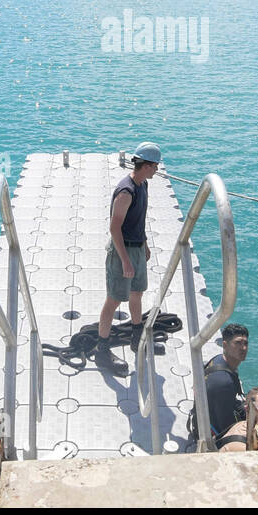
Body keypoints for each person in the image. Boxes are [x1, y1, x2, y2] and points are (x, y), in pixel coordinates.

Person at [94, 142, 161, 375]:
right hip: (122, 251)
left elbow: (138, 220)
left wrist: (145, 245)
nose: (157, 170)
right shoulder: (126, 191)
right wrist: (125, 260)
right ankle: (102, 351)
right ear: (147, 165)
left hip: (137, 248)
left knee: (137, 293)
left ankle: (136, 338)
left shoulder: (143, 185)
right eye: (155, 166)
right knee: (113, 300)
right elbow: (115, 228)